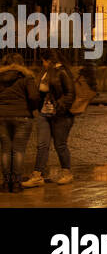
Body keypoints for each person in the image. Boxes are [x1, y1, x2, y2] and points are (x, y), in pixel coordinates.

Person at [23, 49, 76, 187]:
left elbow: (70, 94)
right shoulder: (45, 73)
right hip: (44, 113)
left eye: (44, 61)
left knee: (60, 145)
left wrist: (59, 108)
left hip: (60, 115)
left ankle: (67, 173)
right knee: (42, 145)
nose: (43, 63)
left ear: (49, 61)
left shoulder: (63, 72)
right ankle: (37, 176)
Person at [0, 53, 39, 192]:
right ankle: (16, 183)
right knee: (19, 150)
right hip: (22, 116)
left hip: (2, 117)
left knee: (5, 150)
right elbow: (34, 96)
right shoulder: (27, 77)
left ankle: (6, 182)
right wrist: (32, 108)